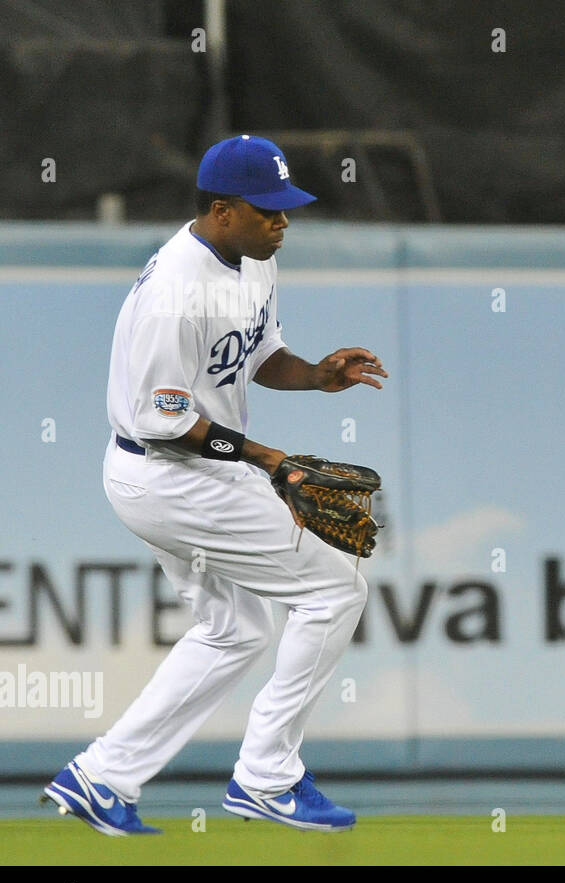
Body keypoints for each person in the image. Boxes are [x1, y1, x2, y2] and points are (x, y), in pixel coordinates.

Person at [41, 135, 388, 834]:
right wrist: (267, 458)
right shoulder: (175, 292)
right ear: (223, 210)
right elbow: (165, 420)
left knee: (234, 629)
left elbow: (258, 356)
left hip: (184, 469)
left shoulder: (253, 258)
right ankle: (267, 777)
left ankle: (103, 776)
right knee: (336, 590)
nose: (282, 222)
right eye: (268, 211)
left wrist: (315, 375)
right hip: (164, 471)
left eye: (286, 209)